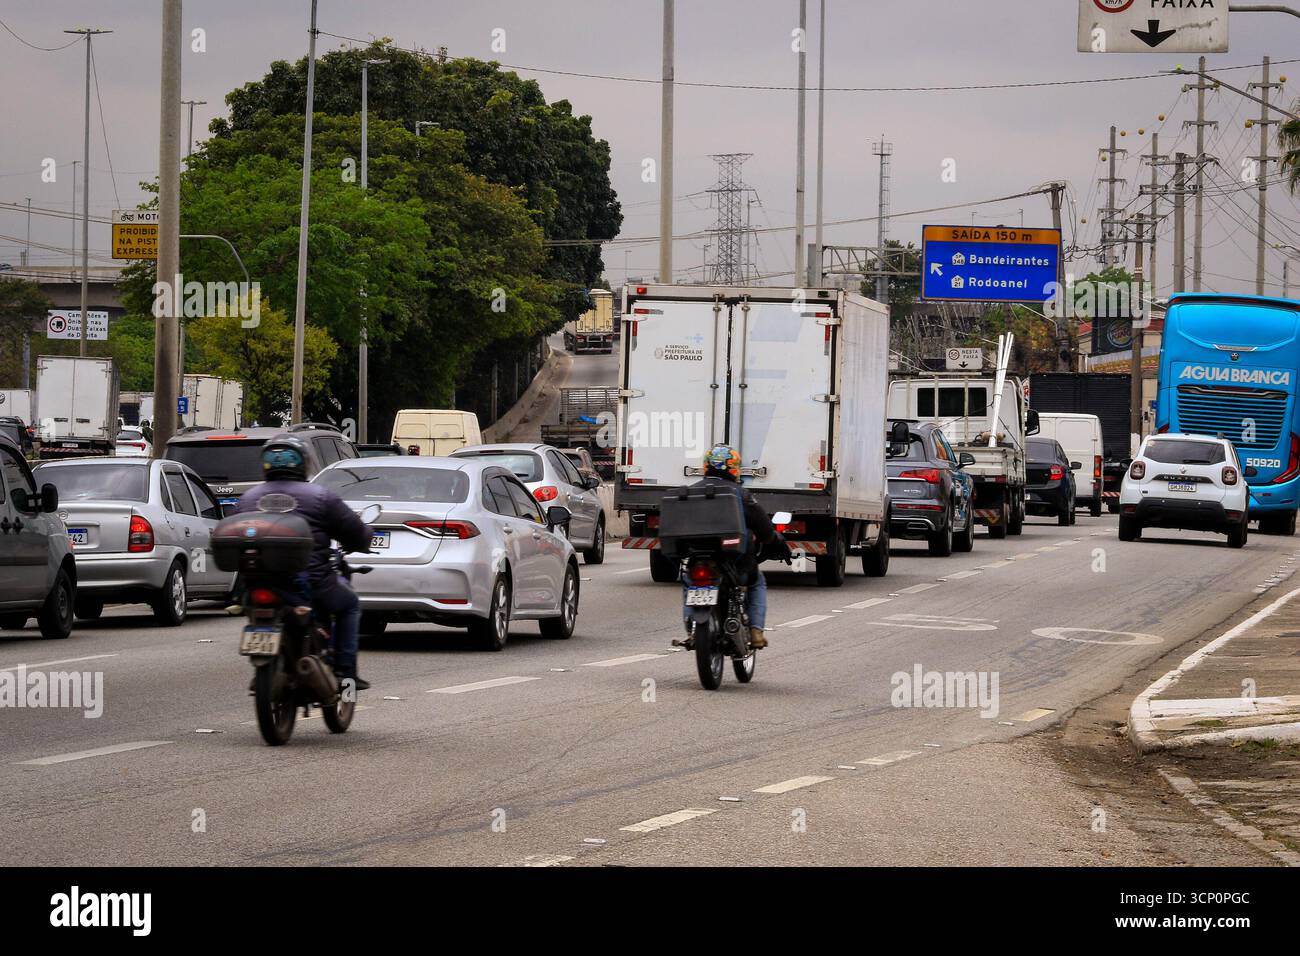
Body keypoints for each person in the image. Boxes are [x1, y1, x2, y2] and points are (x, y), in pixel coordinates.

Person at [236, 435, 373, 689]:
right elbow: (356, 531)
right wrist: (364, 541)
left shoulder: (248, 498)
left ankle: (266, 669)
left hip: (256, 584)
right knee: (350, 604)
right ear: (304, 462)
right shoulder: (320, 497)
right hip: (310, 582)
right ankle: (345, 672)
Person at [686, 444, 790, 648]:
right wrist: (778, 543)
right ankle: (756, 631)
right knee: (757, 581)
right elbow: (765, 530)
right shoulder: (741, 495)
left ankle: (691, 631)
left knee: (688, 581)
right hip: (736, 564)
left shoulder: (690, 493)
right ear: (733, 468)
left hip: (698, 559)